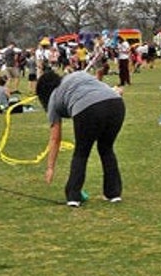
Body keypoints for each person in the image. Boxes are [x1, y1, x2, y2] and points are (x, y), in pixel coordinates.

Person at [36, 68, 124, 205]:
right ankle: (113, 193)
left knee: (81, 153)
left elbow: (55, 138)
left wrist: (50, 167)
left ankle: (73, 195)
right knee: (106, 148)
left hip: (87, 109)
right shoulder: (78, 75)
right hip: (116, 104)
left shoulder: (53, 97)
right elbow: (97, 87)